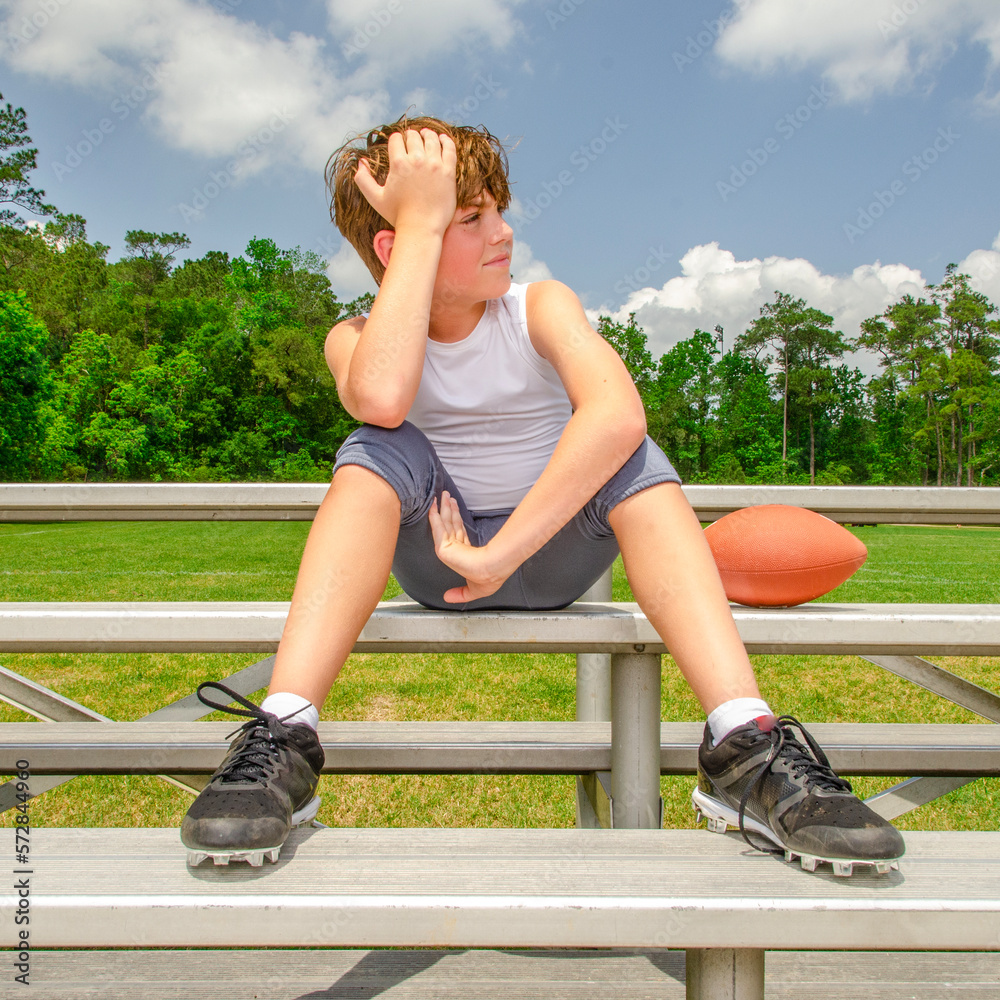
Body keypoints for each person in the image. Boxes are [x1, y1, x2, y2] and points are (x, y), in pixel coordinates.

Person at [181, 115, 904, 874]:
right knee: (372, 446)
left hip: (548, 553)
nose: (503, 232)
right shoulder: (354, 336)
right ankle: (286, 735)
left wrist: (502, 553)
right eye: (470, 218)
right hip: (441, 562)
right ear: (400, 244)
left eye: (499, 209)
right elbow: (385, 400)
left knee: (631, 452)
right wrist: (420, 232)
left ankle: (743, 744)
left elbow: (619, 412)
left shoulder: (540, 306)